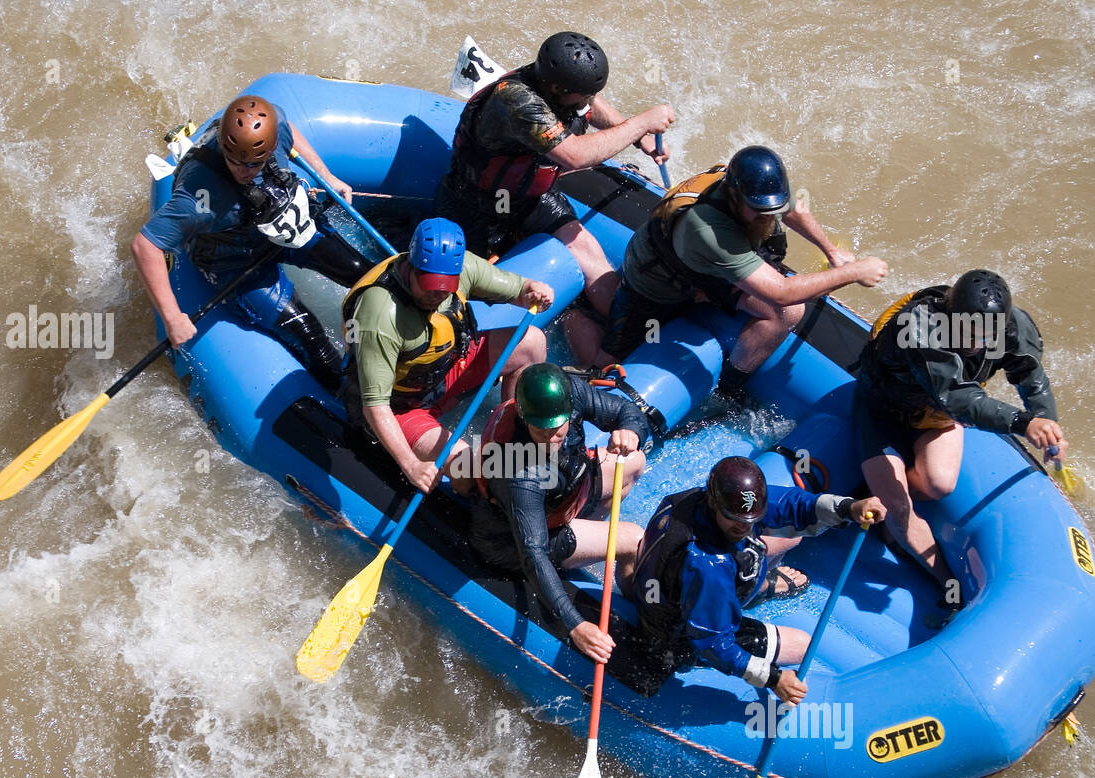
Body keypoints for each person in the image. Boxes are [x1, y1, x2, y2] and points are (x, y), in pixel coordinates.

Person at [435, 31, 675, 328]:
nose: (587, 101)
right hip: (473, 204)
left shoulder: (559, 85)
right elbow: (575, 155)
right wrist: (640, 123)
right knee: (468, 290)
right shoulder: (517, 101)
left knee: (587, 250)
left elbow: (591, 104)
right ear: (557, 88)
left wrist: (639, 137)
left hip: (528, 198)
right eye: (582, 95)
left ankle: (626, 331)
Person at [594, 146, 889, 385]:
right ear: (734, 196)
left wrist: (831, 251)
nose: (767, 217)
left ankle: (730, 383)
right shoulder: (707, 230)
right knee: (607, 363)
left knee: (786, 314)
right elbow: (782, 293)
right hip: (655, 285)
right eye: (760, 211)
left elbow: (793, 209)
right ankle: (581, 317)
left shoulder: (758, 191)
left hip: (705, 275)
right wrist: (852, 272)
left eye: (771, 210)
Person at [132, 95, 371, 389]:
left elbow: (289, 129)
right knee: (309, 335)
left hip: (282, 226)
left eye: (255, 163)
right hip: (235, 261)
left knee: (366, 274)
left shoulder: (275, 125)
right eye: (235, 162)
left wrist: (326, 175)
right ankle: (350, 398)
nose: (244, 171)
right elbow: (146, 245)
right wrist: (171, 317)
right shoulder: (199, 196)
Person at [855, 269, 1066, 596]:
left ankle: (873, 491)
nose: (976, 344)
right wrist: (1024, 423)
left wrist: (1046, 421)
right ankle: (949, 586)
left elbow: (1030, 376)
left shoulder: (1010, 326)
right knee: (896, 508)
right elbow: (959, 397)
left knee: (940, 484)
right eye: (968, 333)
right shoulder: (918, 327)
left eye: (985, 337)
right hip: (883, 411)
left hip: (933, 415)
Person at [629, 456, 884, 703]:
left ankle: (759, 585)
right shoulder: (707, 566)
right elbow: (715, 645)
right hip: (680, 633)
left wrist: (849, 508)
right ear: (714, 504)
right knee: (801, 645)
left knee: (792, 536)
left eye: (750, 520)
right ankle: (759, 587)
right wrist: (773, 679)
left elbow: (790, 505)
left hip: (683, 587)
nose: (744, 527)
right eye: (736, 521)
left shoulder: (711, 503)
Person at [343, 218, 553, 494]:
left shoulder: (462, 266)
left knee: (532, 342)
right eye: (429, 284)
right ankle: (479, 505)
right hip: (400, 407)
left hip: (441, 374)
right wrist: (410, 465)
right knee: (466, 462)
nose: (437, 294)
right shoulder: (380, 315)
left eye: (445, 286)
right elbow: (375, 406)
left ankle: (518, 441)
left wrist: (534, 291)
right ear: (412, 268)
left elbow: (521, 290)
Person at [468, 363, 649, 663]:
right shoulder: (518, 472)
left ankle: (589, 537)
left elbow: (626, 413)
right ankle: (638, 613)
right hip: (511, 541)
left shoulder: (568, 393)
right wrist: (575, 624)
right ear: (524, 418)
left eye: (559, 425)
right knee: (635, 539)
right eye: (543, 429)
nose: (554, 436)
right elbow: (533, 553)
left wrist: (630, 430)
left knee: (634, 461)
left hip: (563, 494)